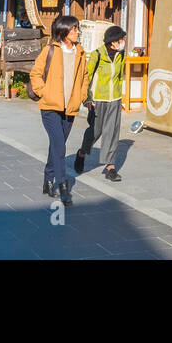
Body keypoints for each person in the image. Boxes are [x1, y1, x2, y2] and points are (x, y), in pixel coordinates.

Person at [29, 15, 88, 206]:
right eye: (74, 29)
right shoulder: (50, 50)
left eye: (77, 29)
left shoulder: (80, 52)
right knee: (59, 146)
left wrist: (82, 95)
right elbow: (36, 73)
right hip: (50, 107)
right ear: (64, 32)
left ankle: (47, 178)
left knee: (57, 145)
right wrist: (43, 91)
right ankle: (62, 185)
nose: (77, 32)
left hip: (69, 106)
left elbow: (84, 76)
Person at [75, 25, 127, 182]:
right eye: (121, 39)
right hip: (97, 100)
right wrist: (87, 99)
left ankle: (110, 167)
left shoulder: (121, 55)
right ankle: (82, 153)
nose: (123, 42)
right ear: (113, 42)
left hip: (114, 100)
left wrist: (120, 97)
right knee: (95, 131)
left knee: (112, 132)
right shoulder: (97, 55)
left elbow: (119, 77)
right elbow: (87, 77)